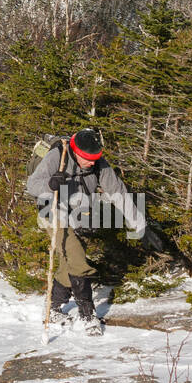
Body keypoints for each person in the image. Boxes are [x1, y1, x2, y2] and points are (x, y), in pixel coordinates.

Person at [25, 127, 157, 335]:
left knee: (69, 260)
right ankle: (87, 314)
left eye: (96, 158)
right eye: (88, 159)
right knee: (77, 259)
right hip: (53, 209)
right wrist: (51, 184)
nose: (93, 163)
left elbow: (118, 193)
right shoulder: (57, 156)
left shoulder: (99, 165)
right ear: (76, 153)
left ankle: (54, 306)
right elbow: (32, 185)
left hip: (79, 212)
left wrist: (141, 226)